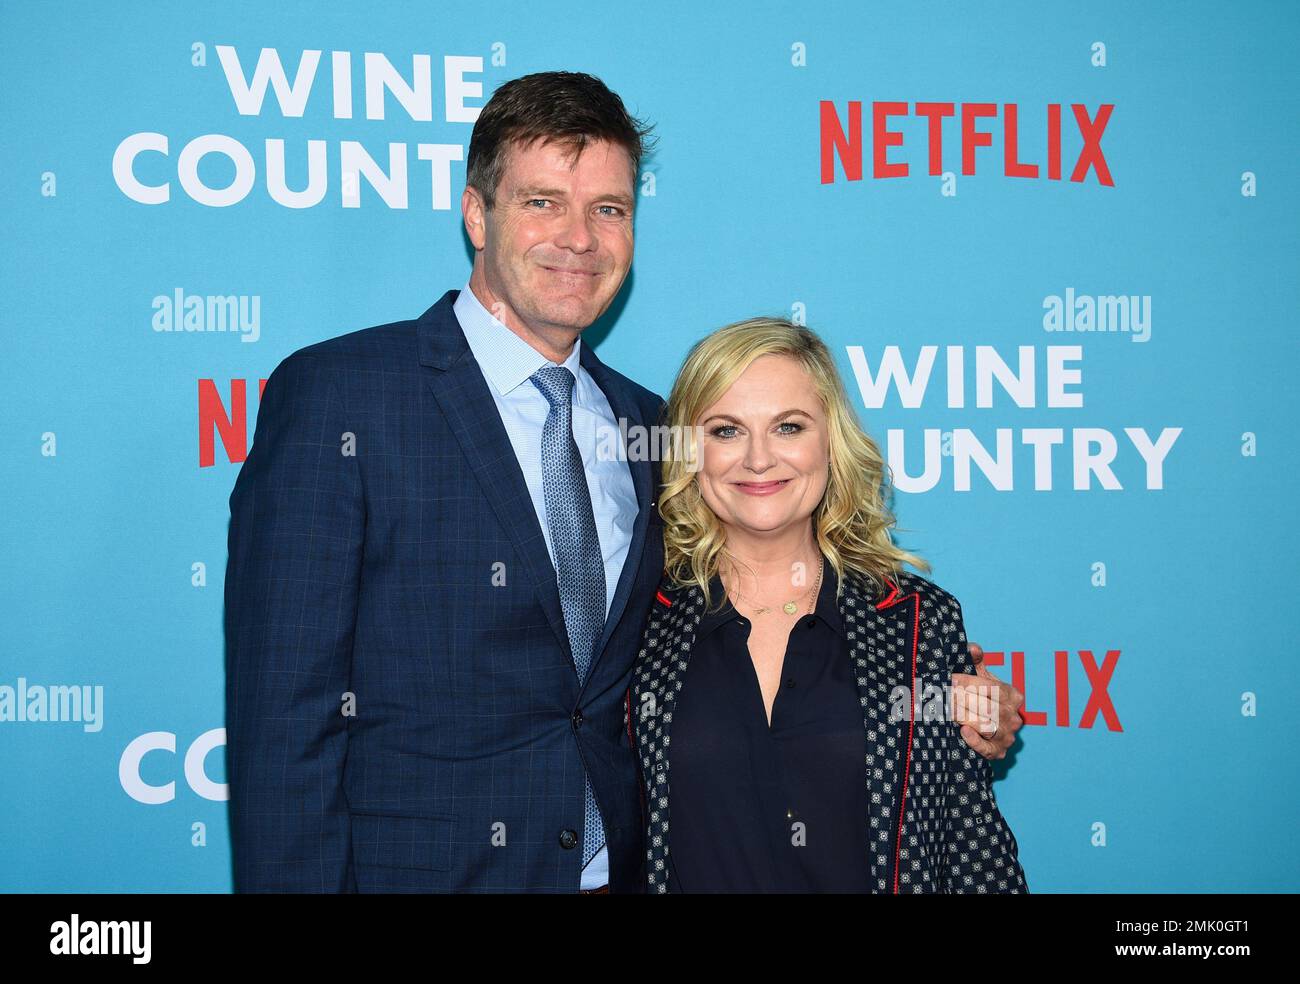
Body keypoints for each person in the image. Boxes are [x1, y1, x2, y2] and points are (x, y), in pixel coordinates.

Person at [224, 70, 1023, 894]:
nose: (579, 238)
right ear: (476, 212)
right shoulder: (342, 395)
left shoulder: (651, 430)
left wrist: (959, 713)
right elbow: (284, 722)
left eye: (608, 209)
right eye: (542, 202)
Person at [630, 317, 1028, 893]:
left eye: (789, 426)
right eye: (725, 431)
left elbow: (970, 848)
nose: (759, 459)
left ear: (830, 442)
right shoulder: (634, 619)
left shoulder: (919, 621)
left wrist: (986, 715)